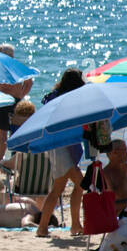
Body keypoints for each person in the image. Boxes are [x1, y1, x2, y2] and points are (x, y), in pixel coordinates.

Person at [37, 69, 86, 237]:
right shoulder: (68, 99)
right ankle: (70, 225)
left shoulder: (55, 97)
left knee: (60, 188)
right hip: (62, 147)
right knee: (77, 184)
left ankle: (51, 227)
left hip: (56, 146)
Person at [0, 44, 34, 173]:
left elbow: (29, 82)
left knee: (10, 133)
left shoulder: (13, 66)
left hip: (11, 102)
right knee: (0, 134)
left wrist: (20, 94)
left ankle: (9, 161)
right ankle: (0, 161)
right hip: (1, 102)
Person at [102, 139, 127, 213]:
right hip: (125, 212)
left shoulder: (124, 169)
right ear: (114, 152)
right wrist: (123, 175)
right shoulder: (106, 174)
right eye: (125, 150)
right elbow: (113, 200)